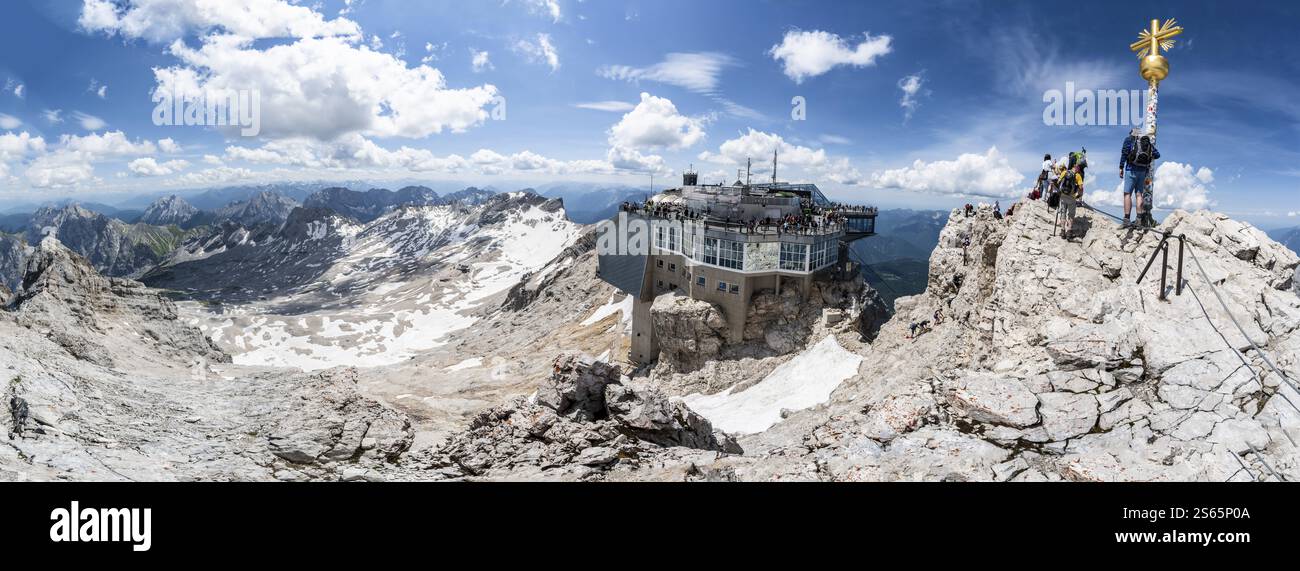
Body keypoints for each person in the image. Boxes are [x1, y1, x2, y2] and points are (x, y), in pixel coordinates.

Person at [1120, 128, 1161, 227]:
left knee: (1127, 194)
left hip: (1131, 169)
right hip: (1143, 171)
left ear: (1132, 133)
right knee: (1139, 195)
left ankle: (1126, 219)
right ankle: (1139, 219)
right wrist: (1148, 158)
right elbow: (1157, 155)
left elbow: (1124, 153)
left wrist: (1121, 167)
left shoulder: (1129, 139)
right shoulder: (1147, 144)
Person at [1059, 163, 1084, 240]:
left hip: (1063, 196)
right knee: (1071, 215)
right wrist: (1079, 196)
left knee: (1063, 213)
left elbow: (1058, 182)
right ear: (1078, 169)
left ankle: (1062, 231)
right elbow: (1081, 188)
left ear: (1073, 167)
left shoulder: (1064, 172)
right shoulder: (1078, 176)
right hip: (1071, 197)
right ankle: (1069, 233)